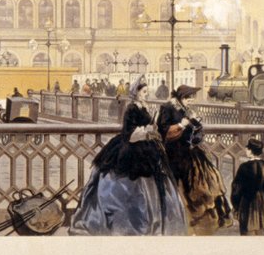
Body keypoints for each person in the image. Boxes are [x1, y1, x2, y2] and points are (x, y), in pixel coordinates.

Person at [70, 80, 187, 235]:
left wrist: (152, 130)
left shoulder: (143, 106)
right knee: (129, 185)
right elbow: (128, 132)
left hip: (146, 146)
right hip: (132, 147)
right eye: (144, 92)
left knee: (152, 184)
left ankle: (153, 218)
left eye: (147, 91)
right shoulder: (131, 108)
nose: (147, 94)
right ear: (136, 93)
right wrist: (146, 131)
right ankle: (131, 222)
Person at [156, 85, 232, 234]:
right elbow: (163, 132)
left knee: (210, 177)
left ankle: (201, 222)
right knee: (180, 185)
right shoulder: (167, 108)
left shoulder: (188, 110)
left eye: (192, 98)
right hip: (174, 152)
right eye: (188, 98)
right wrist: (180, 125)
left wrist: (196, 126)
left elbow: (196, 134)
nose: (191, 101)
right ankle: (179, 220)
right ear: (181, 98)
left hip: (189, 151)